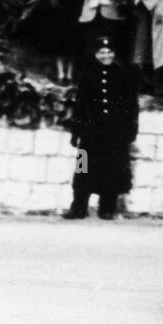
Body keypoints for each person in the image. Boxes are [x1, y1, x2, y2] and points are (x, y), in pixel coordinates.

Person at [62, 37, 139, 220]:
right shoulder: (87, 75)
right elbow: (80, 104)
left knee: (111, 169)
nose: (106, 55)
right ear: (96, 55)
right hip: (90, 133)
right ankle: (78, 207)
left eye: (110, 52)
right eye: (102, 52)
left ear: (115, 54)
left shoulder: (123, 75)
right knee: (82, 168)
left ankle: (107, 207)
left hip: (114, 133)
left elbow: (132, 107)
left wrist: (130, 130)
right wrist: (76, 131)